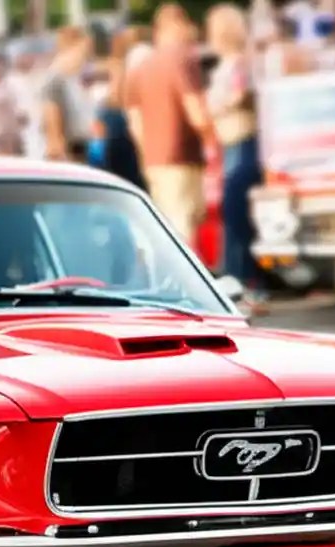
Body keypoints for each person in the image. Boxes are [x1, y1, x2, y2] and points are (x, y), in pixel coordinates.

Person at [126, 3, 214, 250]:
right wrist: (212, 140)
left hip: (154, 159)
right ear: (178, 26)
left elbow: (135, 122)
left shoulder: (140, 67)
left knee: (164, 223)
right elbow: (196, 113)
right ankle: (186, 285)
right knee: (184, 223)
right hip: (182, 156)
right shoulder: (182, 61)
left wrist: (147, 155)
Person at [207, 3, 266, 314]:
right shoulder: (229, 64)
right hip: (232, 142)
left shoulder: (238, 64)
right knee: (232, 214)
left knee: (237, 213)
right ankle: (239, 280)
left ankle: (244, 281)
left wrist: (223, 106)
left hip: (241, 141)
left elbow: (243, 95)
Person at [95, 27, 147, 188]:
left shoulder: (112, 65)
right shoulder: (120, 66)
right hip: (120, 125)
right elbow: (117, 96)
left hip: (114, 124)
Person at [40, 26, 94, 162]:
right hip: (70, 148)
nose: (85, 56)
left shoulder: (71, 75)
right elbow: (50, 109)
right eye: (83, 50)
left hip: (80, 144)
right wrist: (55, 143)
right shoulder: (56, 76)